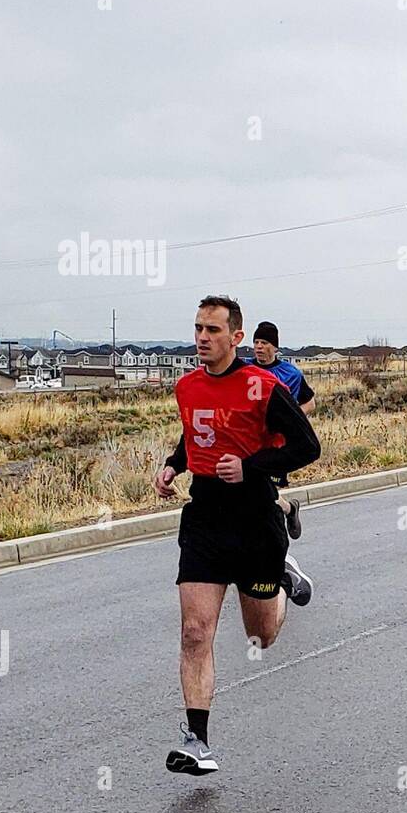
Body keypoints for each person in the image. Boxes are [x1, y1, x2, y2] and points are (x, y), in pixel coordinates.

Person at [154, 296, 321, 775]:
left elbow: (308, 446)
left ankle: (283, 573)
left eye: (212, 330)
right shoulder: (186, 387)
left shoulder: (262, 387)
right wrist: (173, 465)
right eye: (198, 328)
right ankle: (197, 741)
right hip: (205, 516)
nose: (202, 338)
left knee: (261, 634)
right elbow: (195, 436)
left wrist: (249, 467)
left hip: (255, 518)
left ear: (236, 337)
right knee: (194, 632)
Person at [248, 321, 316, 539]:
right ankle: (289, 509)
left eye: (264, 342)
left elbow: (310, 403)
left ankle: (275, 549)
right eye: (256, 342)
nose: (259, 347)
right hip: (248, 441)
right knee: (258, 491)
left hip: (277, 444)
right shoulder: (245, 369)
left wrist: (291, 421)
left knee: (263, 493)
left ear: (275, 347)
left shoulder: (290, 374)